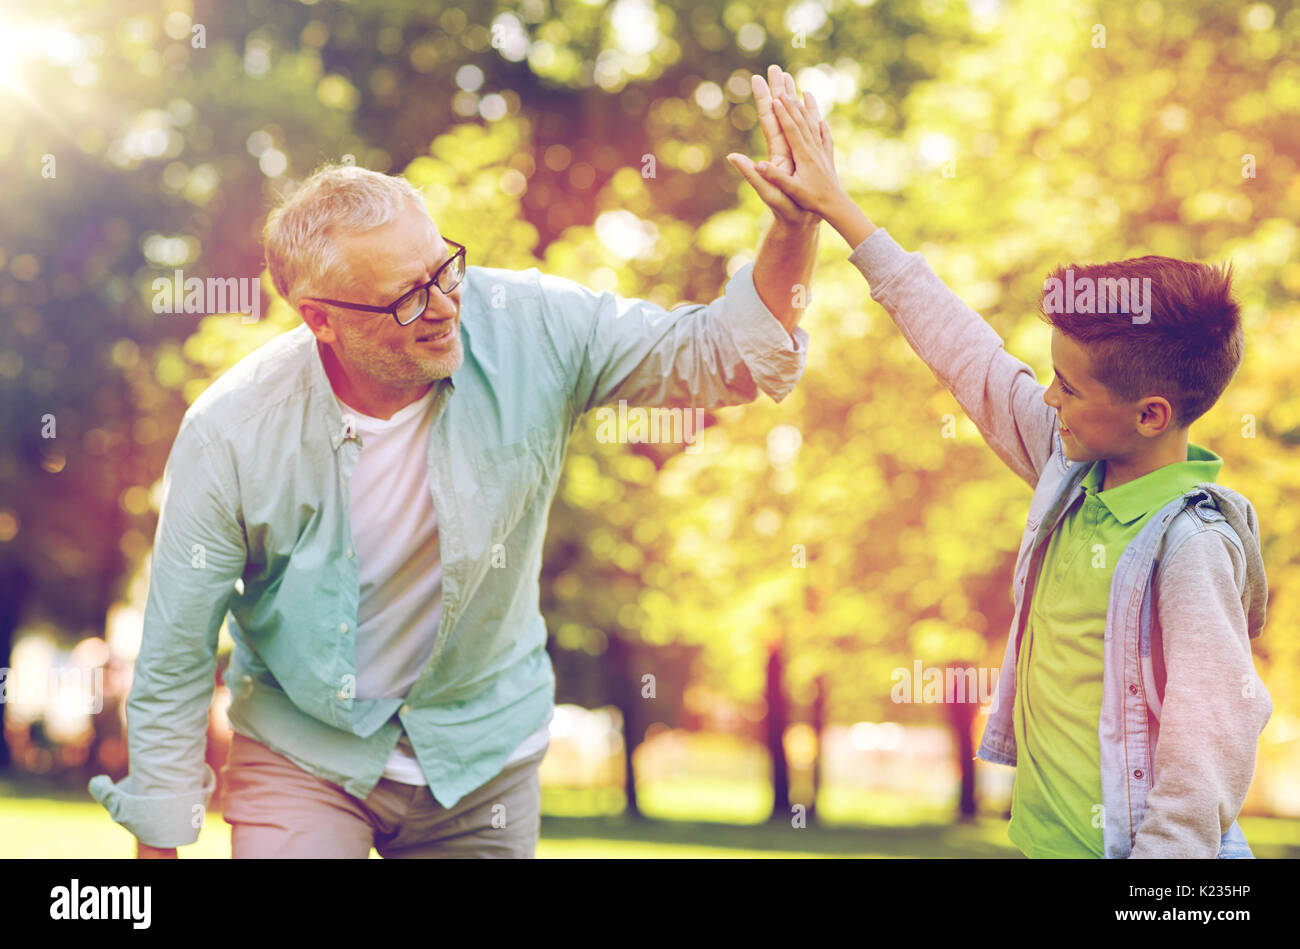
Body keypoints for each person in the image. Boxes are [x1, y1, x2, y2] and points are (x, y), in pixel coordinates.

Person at [89, 66, 826, 859]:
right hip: (306, 749)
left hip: (482, 753)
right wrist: (157, 850)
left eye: (445, 267)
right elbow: (174, 653)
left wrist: (792, 231)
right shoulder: (231, 432)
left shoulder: (532, 327)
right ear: (321, 320)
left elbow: (727, 359)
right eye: (409, 296)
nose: (446, 307)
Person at [754, 89, 1272, 857]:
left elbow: (1213, 736)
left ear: (1150, 415)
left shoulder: (1188, 548)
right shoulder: (1073, 470)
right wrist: (841, 211)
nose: (1047, 395)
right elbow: (968, 354)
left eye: (1068, 384)